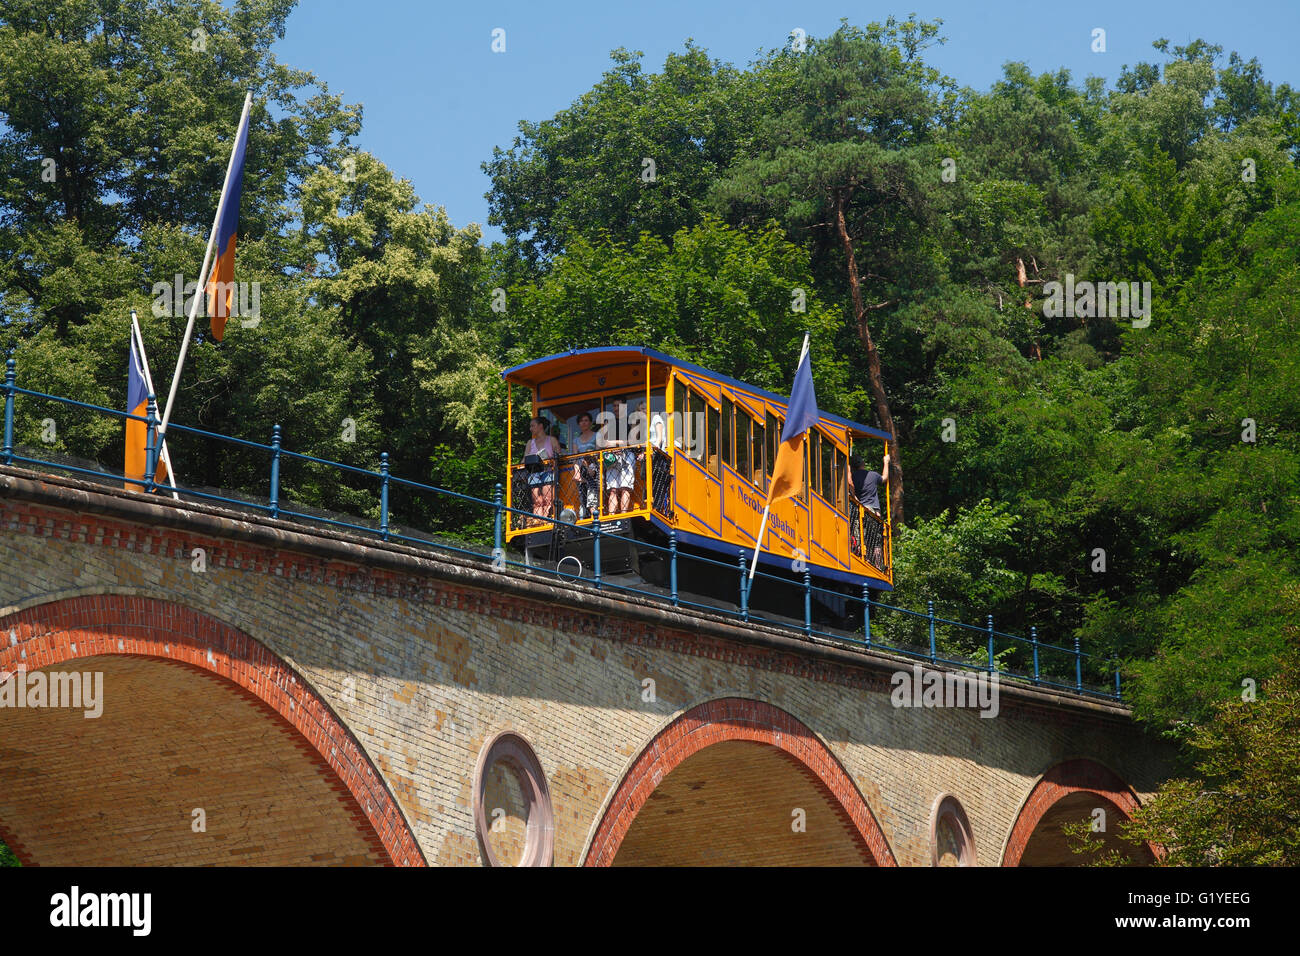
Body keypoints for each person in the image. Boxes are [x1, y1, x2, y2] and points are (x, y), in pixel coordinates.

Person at [850, 449, 890, 566]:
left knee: (862, 537)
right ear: (863, 464)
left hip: (859, 510)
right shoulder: (872, 475)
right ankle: (877, 565)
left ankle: (864, 559)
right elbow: (885, 478)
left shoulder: (852, 477)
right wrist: (886, 462)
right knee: (876, 542)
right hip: (873, 511)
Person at [600, 399, 637, 514]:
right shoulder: (608, 422)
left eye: (618, 406)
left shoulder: (631, 420)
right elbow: (603, 442)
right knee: (612, 489)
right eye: (614, 406)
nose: (615, 408)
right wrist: (620, 443)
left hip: (627, 455)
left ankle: (623, 514)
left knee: (625, 487)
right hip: (611, 457)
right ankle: (611, 515)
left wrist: (614, 443)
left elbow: (633, 441)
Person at [523, 417, 562, 524]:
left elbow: (558, 454)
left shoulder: (551, 440)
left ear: (540, 426)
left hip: (548, 471)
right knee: (537, 501)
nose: (530, 429)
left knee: (547, 499)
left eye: (532, 426)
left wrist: (550, 459)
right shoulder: (530, 442)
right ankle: (537, 521)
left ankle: (546, 520)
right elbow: (524, 458)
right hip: (534, 473)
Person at [571, 411, 601, 518]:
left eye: (586, 420)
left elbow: (598, 453)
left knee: (593, 494)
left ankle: (595, 518)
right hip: (582, 469)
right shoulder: (576, 440)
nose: (583, 423)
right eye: (581, 421)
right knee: (583, 495)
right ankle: (586, 518)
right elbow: (575, 458)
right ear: (579, 424)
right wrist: (577, 472)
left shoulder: (597, 435)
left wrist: (590, 463)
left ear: (590, 423)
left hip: (593, 467)